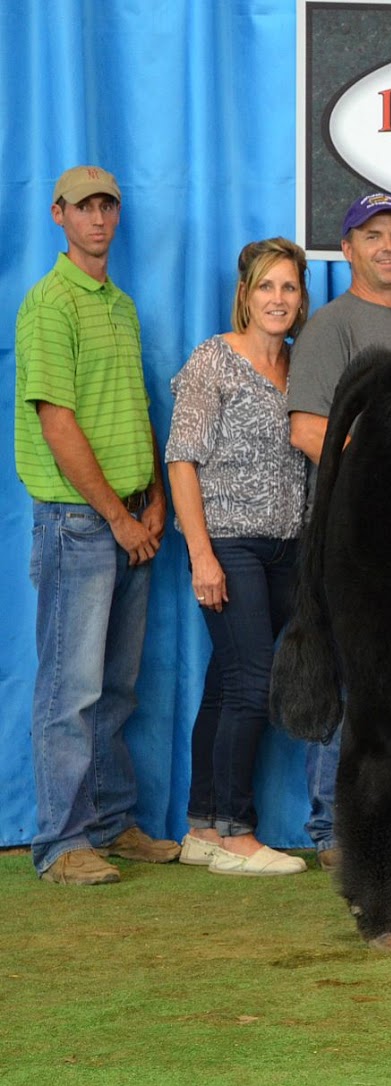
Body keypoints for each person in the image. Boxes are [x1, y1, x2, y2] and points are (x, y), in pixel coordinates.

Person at [14, 165, 179, 884]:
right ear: (58, 215)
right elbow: (57, 421)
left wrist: (157, 501)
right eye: (85, 207)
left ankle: (110, 823)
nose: (99, 218)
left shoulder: (119, 304)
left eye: (108, 205)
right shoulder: (49, 303)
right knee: (69, 691)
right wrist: (117, 516)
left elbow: (136, 404)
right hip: (80, 523)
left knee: (116, 688)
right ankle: (61, 842)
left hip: (130, 517)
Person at [286, 193, 391, 870]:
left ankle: (386, 820)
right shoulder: (331, 327)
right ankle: (334, 828)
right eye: (372, 235)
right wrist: (389, 481)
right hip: (359, 534)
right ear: (346, 250)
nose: (387, 246)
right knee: (354, 677)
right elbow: (308, 429)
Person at [167, 237, 312, 876]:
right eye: (267, 287)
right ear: (246, 296)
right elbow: (181, 459)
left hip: (288, 546)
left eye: (289, 287)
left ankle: (202, 825)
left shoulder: (300, 365)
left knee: (226, 684)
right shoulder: (214, 361)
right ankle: (236, 833)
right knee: (253, 685)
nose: (279, 299)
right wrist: (202, 554)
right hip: (230, 541)